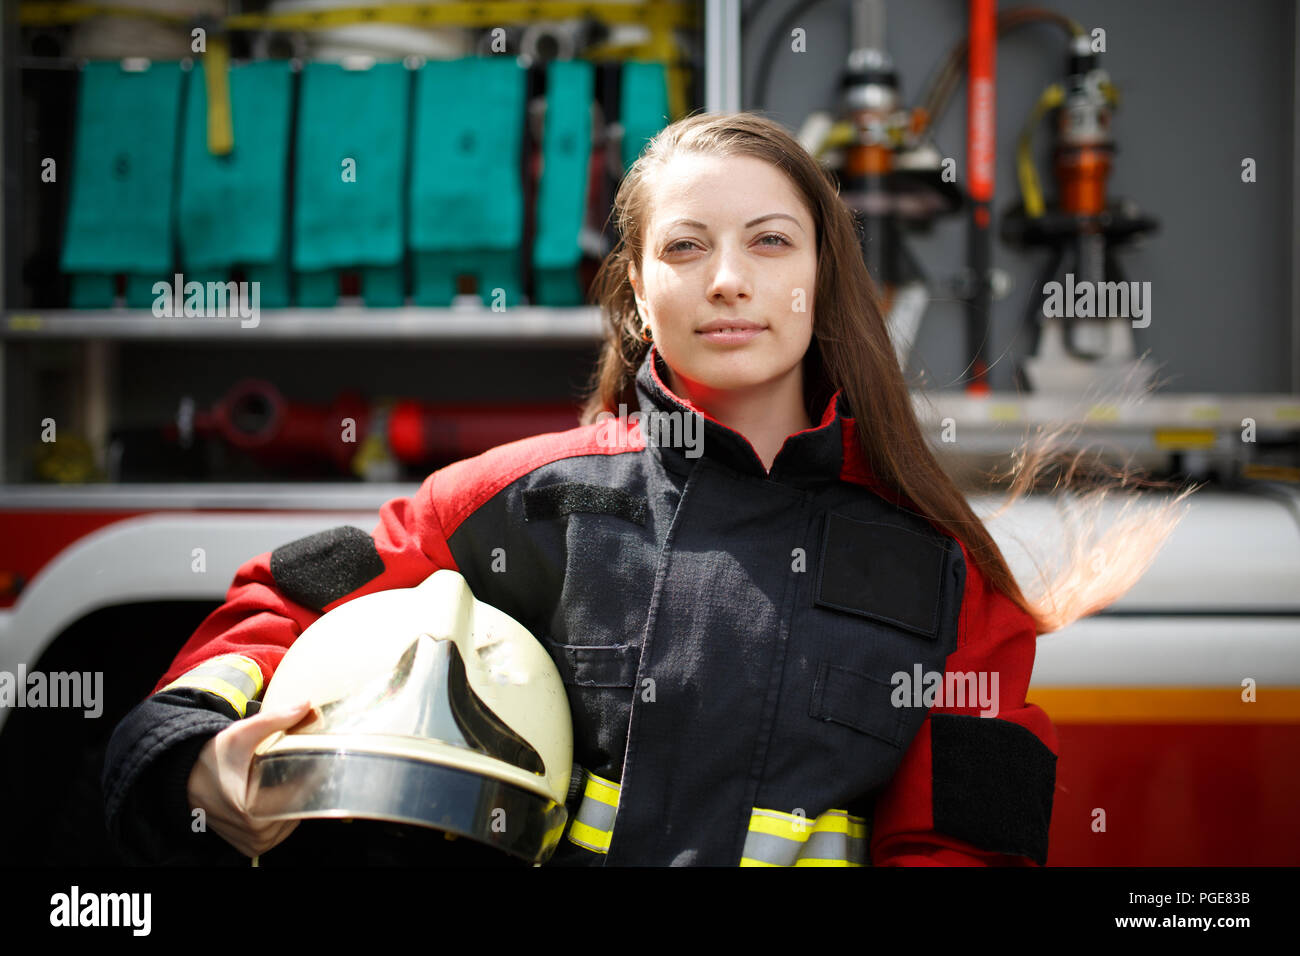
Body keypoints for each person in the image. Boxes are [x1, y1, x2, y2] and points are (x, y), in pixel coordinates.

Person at [102, 110, 1190, 866]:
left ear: (822, 279)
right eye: (686, 247)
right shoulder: (515, 504)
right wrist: (199, 756)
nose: (728, 277)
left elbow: (962, 846)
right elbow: (280, 606)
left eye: (770, 242)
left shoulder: (944, 577)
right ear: (634, 293)